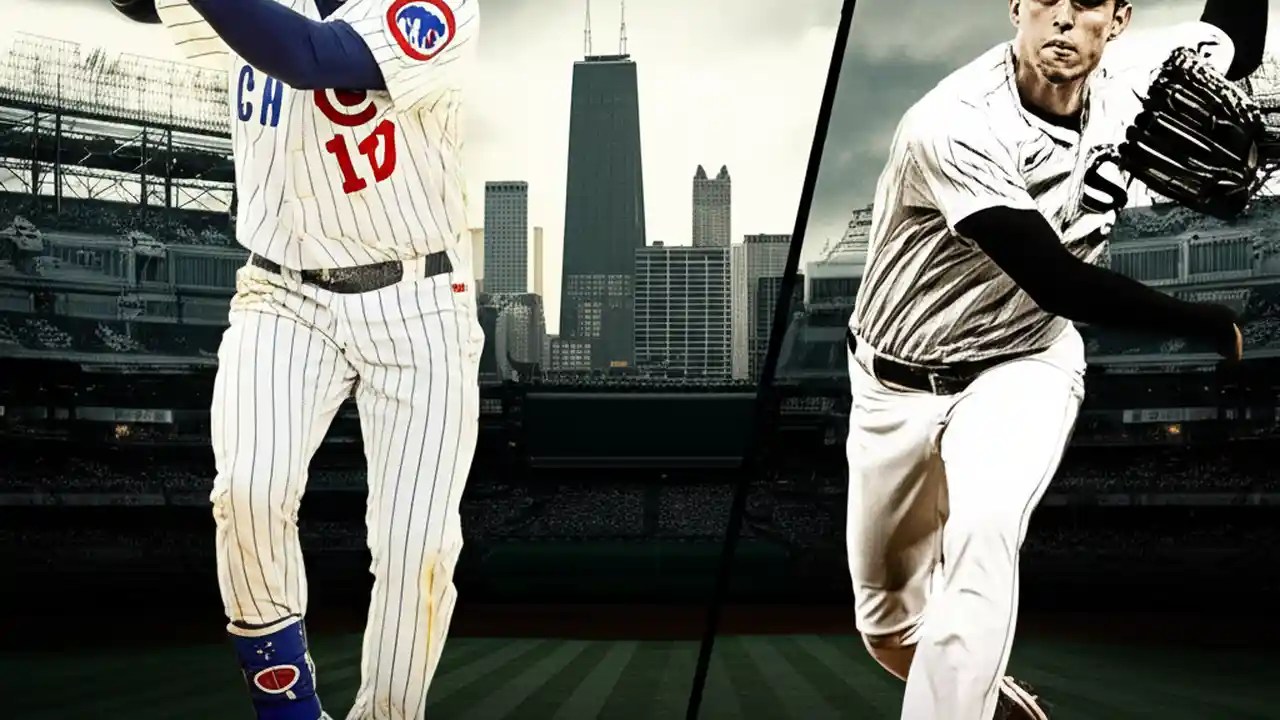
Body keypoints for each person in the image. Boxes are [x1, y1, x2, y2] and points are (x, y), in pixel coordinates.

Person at [843, 0, 1266, 718]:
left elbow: (1234, 34)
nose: (1065, 18)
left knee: (985, 532)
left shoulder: (1146, 75)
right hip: (895, 385)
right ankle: (998, 706)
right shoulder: (952, 122)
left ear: (1120, 17)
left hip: (1022, 366)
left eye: (1088, 2)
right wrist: (1201, 321)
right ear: (1017, 7)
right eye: (1048, 0)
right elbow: (1055, 277)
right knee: (888, 627)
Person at [115, 1, 483, 718]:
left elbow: (310, 56)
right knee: (248, 491)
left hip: (420, 297)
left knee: (418, 548)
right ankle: (287, 708)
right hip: (280, 293)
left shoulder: (441, 6)